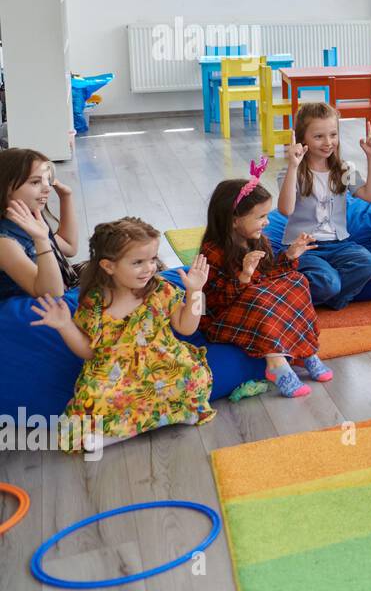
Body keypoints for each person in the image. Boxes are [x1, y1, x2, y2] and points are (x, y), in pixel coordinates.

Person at [30, 217, 215, 453]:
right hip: (113, 374)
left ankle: (148, 422)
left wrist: (195, 292)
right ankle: (130, 430)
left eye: (152, 259)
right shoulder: (95, 302)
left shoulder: (160, 289)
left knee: (194, 377)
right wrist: (65, 325)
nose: (149, 268)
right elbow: (88, 350)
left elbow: (187, 328)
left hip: (163, 363)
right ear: (109, 266)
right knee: (94, 398)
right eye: (138, 262)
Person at [199, 160, 328, 398]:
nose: (267, 222)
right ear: (234, 219)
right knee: (259, 295)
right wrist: (244, 275)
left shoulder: (258, 241)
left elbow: (269, 276)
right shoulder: (212, 252)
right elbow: (214, 302)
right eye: (261, 216)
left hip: (257, 304)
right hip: (224, 317)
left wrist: (289, 256)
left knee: (297, 280)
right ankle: (276, 364)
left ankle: (305, 350)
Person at [277, 102, 371, 309]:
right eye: (318, 137)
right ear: (301, 138)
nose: (328, 142)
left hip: (339, 244)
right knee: (328, 281)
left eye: (333, 135)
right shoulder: (292, 172)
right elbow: (285, 209)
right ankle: (328, 290)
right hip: (305, 247)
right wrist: (292, 166)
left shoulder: (343, 169)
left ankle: (332, 296)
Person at [0, 148, 79, 300]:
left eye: (47, 180)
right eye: (36, 182)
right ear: (7, 186)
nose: (47, 188)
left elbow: (69, 247)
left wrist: (65, 197)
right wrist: (41, 239)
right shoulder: (5, 242)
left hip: (60, 293)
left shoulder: (32, 217)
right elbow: (52, 295)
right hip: (34, 314)